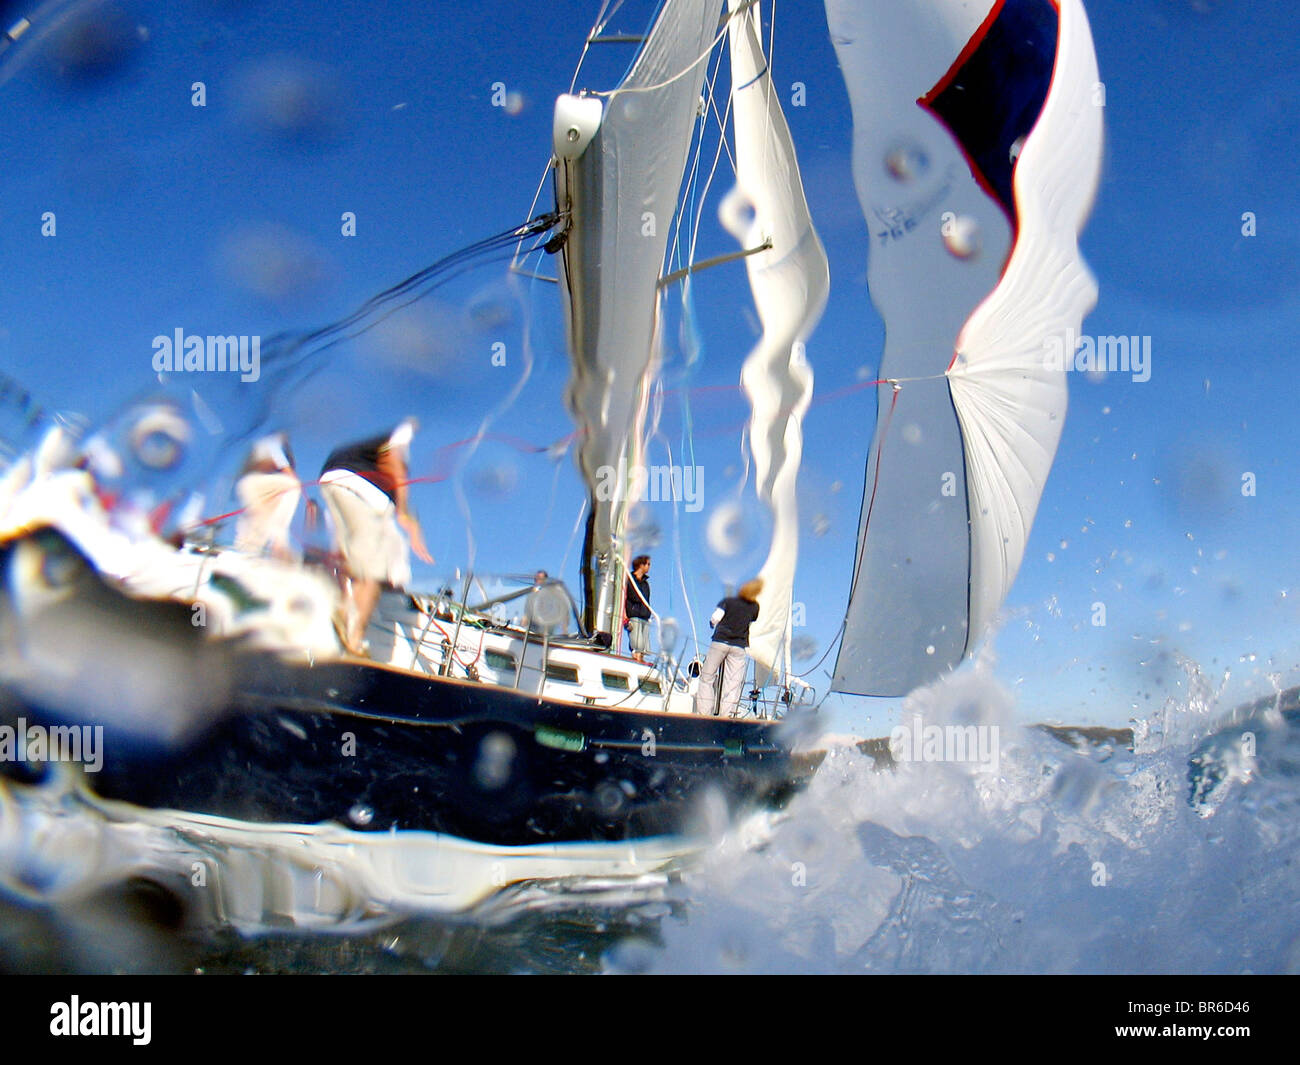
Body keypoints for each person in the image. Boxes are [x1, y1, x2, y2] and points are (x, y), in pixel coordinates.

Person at [319, 419, 432, 656]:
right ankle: (354, 640)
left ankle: (341, 609)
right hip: (362, 489)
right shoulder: (402, 424)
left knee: (351, 564)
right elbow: (394, 460)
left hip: (332, 480)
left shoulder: (370, 424)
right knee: (374, 573)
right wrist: (404, 514)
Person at [693, 577, 762, 718]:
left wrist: (712, 624)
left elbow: (715, 617)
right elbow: (752, 620)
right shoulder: (755, 607)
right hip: (739, 646)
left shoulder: (729, 600)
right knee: (732, 683)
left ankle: (704, 713)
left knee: (707, 677)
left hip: (720, 641)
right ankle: (725, 716)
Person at [233, 432, 301, 561]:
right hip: (254, 484)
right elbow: (281, 465)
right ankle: (278, 543)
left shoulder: (265, 444)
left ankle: (248, 553)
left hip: (252, 485)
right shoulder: (270, 443)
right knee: (292, 485)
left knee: (257, 521)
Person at [624, 555, 651, 662]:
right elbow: (633, 596)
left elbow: (647, 599)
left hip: (645, 616)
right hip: (634, 615)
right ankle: (636, 662)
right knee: (637, 646)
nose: (649, 567)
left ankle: (642, 662)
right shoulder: (630, 580)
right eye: (647, 564)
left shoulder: (645, 583)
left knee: (644, 647)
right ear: (641, 565)